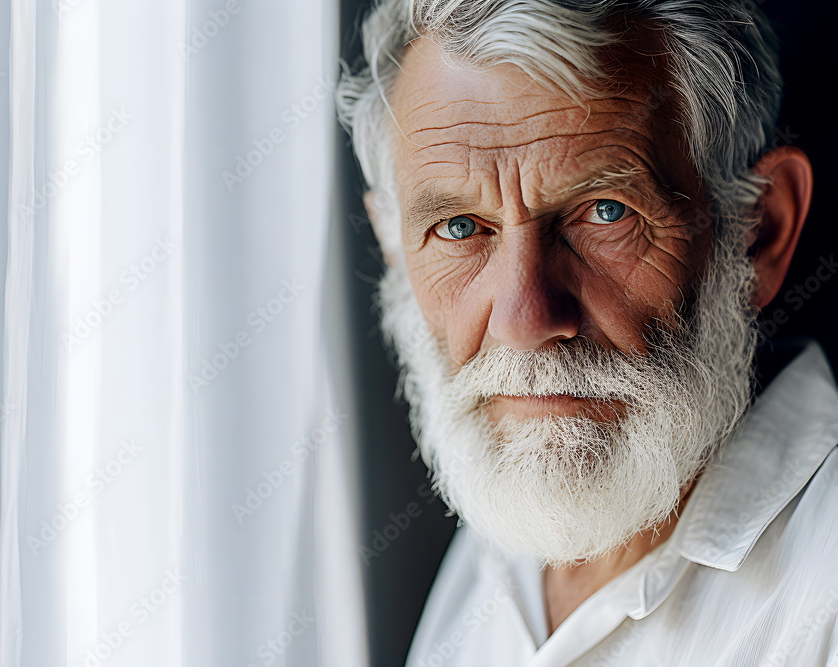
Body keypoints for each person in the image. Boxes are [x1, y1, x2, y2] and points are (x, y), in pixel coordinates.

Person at [337, 0, 838, 664]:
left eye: (604, 212)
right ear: (396, 251)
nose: (525, 322)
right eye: (459, 228)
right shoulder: (513, 516)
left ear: (759, 231)